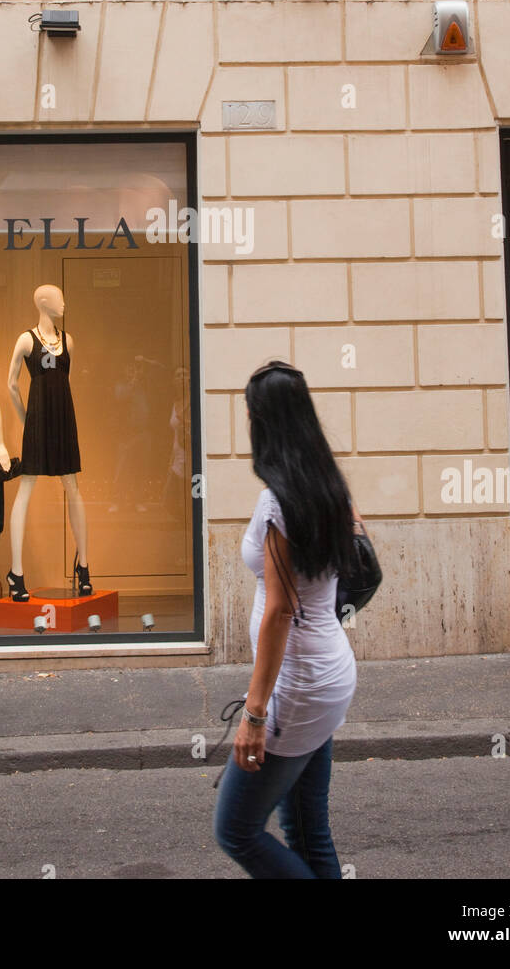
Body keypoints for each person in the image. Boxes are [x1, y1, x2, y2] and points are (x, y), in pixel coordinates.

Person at [213, 360, 364, 879]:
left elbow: (279, 610)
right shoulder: (329, 487)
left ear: (263, 422)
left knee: (236, 830)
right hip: (329, 674)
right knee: (306, 828)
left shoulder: (277, 501)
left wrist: (254, 715)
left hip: (298, 687)